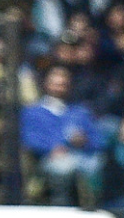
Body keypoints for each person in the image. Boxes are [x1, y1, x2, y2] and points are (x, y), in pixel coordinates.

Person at [21, 65, 105, 205]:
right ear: (46, 84)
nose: (60, 87)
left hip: (81, 156)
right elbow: (29, 139)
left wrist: (84, 141)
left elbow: (98, 140)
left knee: (96, 164)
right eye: (56, 83)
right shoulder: (33, 112)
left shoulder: (80, 111)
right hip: (49, 159)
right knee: (63, 167)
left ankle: (92, 206)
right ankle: (61, 206)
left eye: (64, 84)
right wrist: (53, 148)